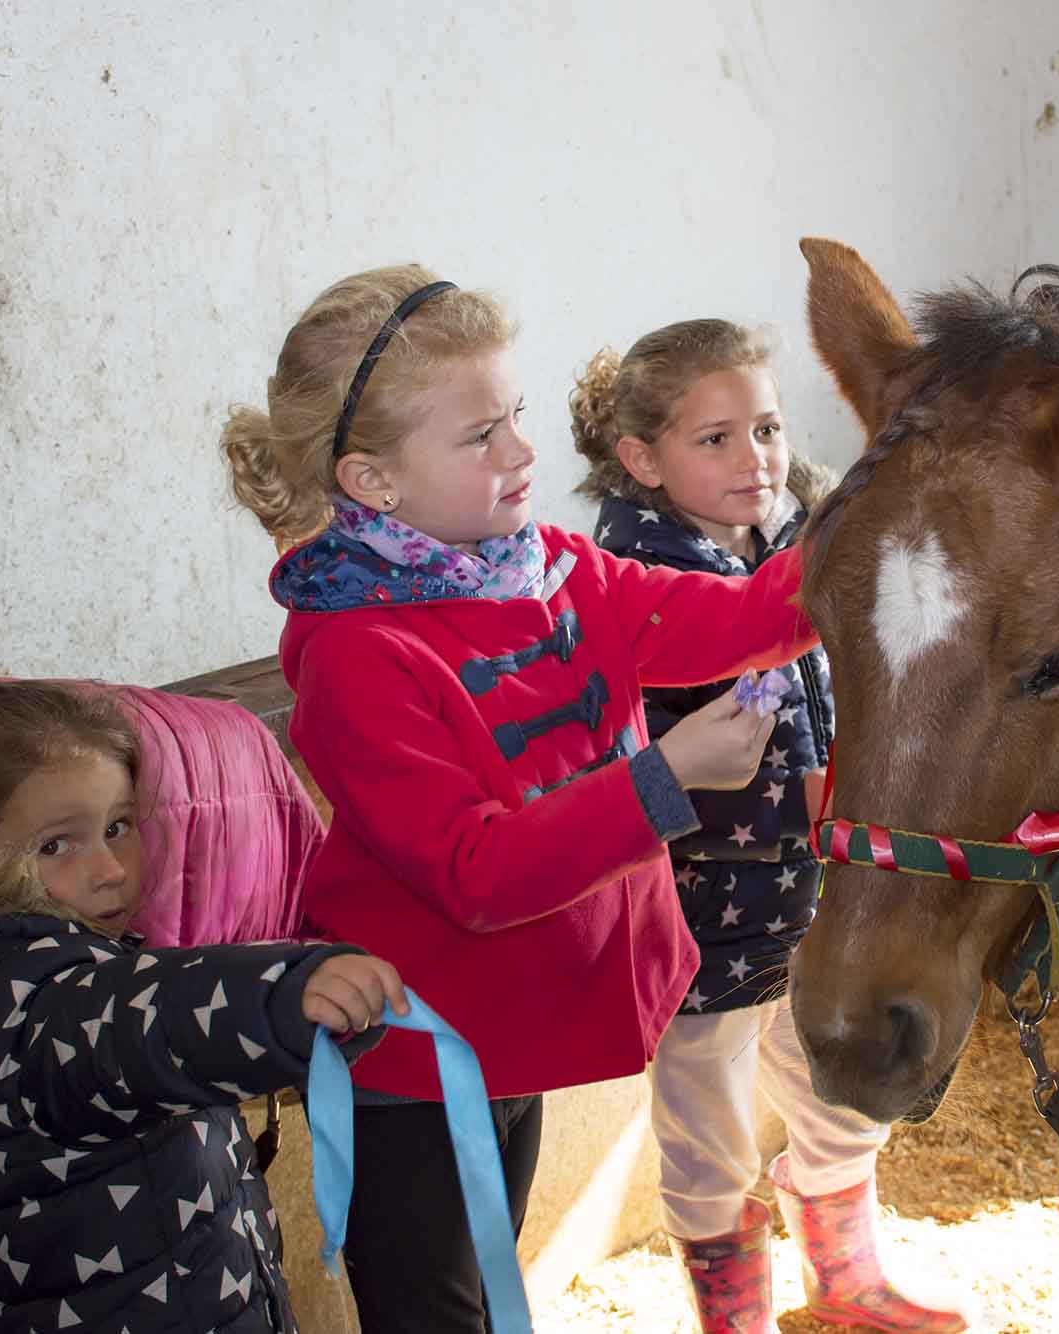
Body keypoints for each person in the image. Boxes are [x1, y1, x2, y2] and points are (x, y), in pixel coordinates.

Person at [220, 266, 818, 1332]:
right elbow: (476, 871)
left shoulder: (545, 566)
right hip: (416, 1057)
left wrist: (880, 530)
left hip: (516, 1026)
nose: (522, 452)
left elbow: (739, 619)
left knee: (499, 1301)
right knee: (439, 1311)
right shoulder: (362, 655)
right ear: (373, 480)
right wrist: (666, 775)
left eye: (517, 416)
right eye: (479, 433)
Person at [572, 317, 969, 1332]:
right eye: (714, 438)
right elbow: (656, 777)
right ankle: (731, 1315)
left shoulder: (792, 538)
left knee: (841, 1097)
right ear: (640, 459)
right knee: (705, 1136)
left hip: (804, 913)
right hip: (696, 933)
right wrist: (824, 803)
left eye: (766, 428)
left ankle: (846, 1277)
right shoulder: (639, 585)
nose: (755, 459)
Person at [0, 678, 405, 1333]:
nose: (109, 869)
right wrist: (281, 996)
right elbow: (139, 1021)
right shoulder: (1, 1005)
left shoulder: (53, 965)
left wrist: (311, 1017)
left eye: (118, 826)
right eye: (56, 844)